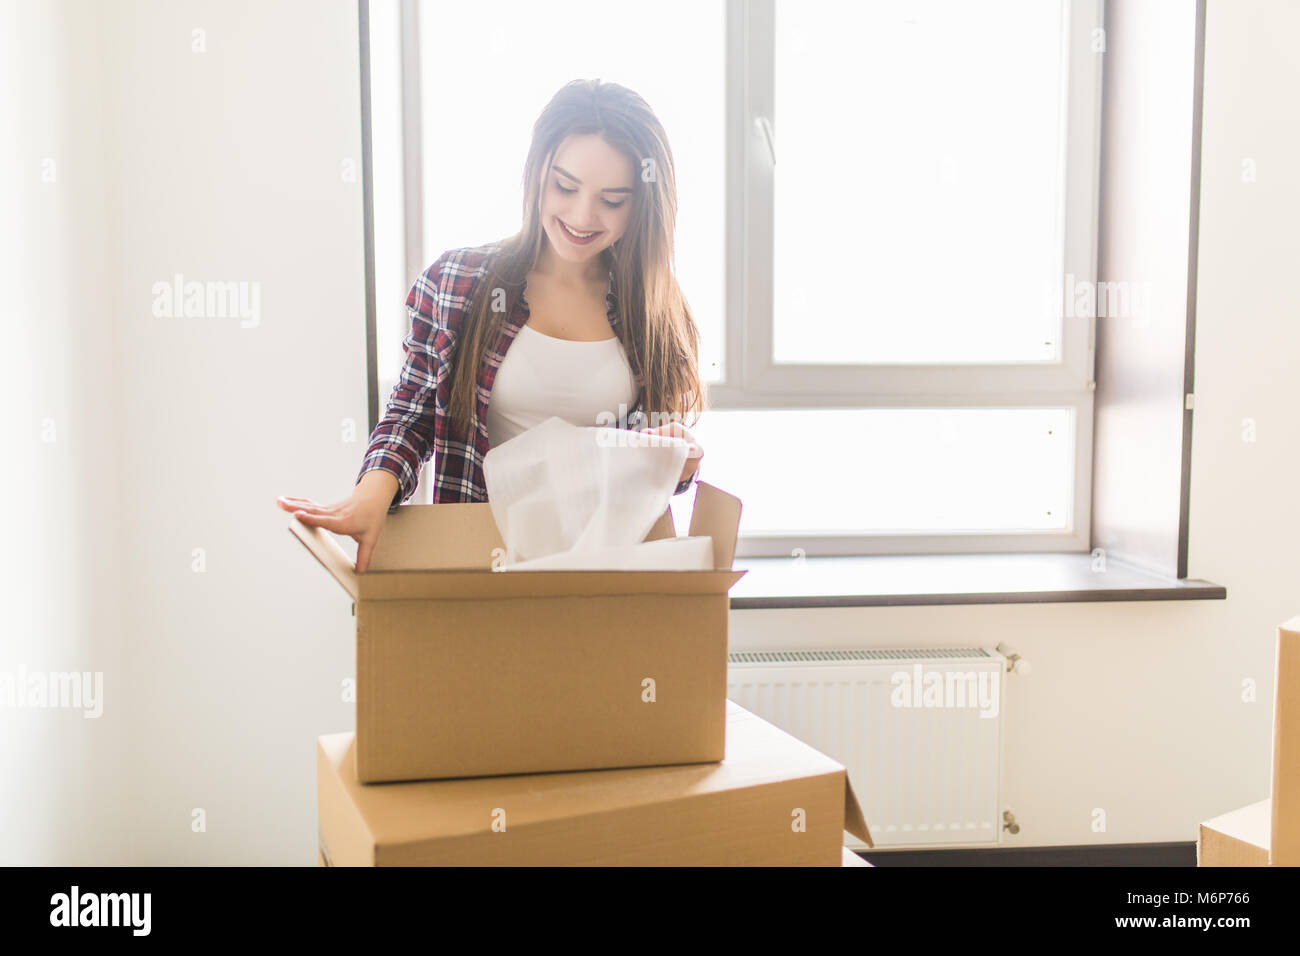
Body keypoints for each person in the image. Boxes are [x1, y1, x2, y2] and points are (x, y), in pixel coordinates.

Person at [278, 79, 706, 571]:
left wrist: (678, 456)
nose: (582, 216)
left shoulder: (654, 312)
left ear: (643, 203)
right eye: (564, 186)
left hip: (599, 572)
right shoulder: (459, 283)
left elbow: (650, 470)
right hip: (479, 558)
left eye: (613, 200)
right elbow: (411, 415)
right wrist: (370, 495)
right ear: (536, 174)